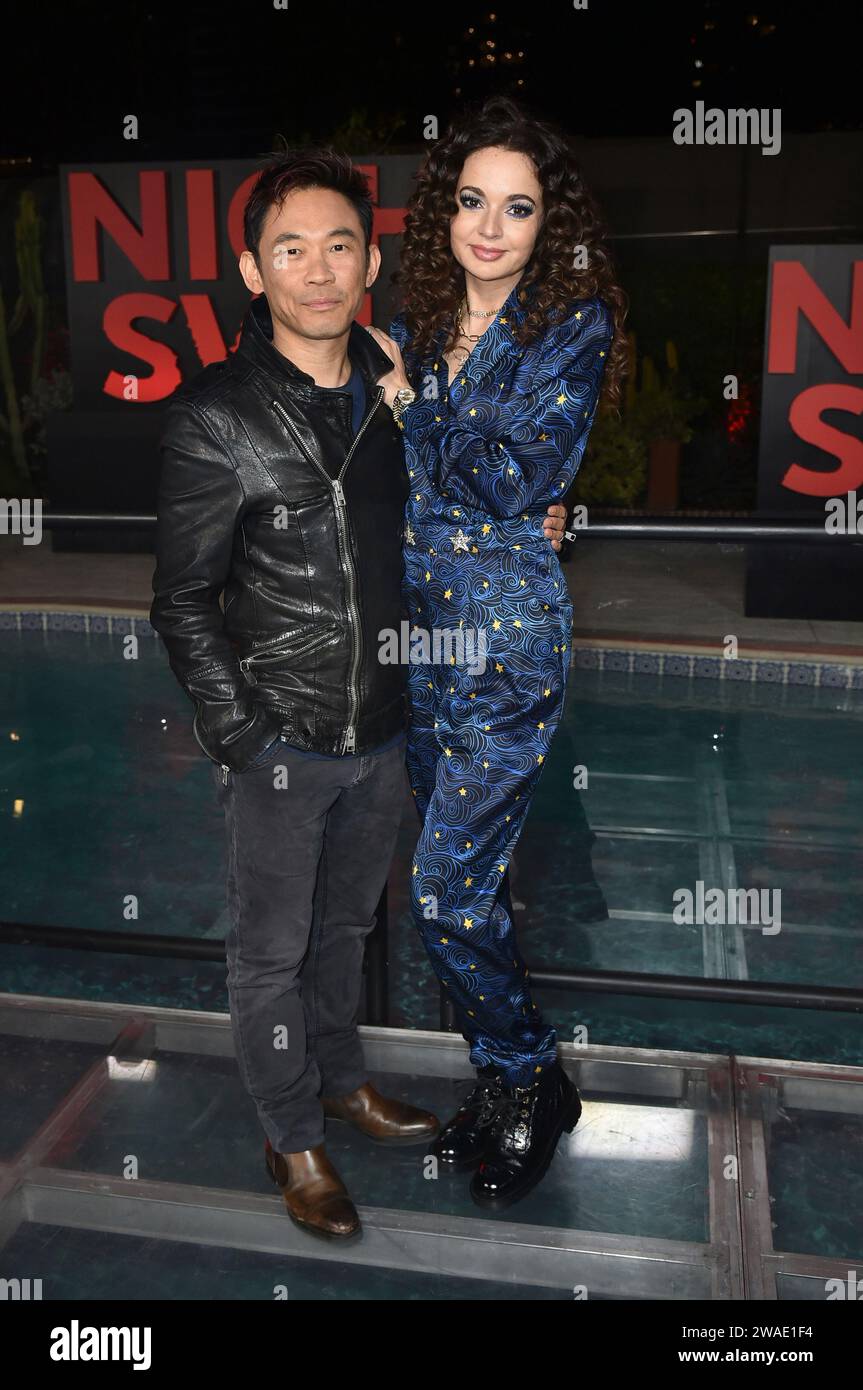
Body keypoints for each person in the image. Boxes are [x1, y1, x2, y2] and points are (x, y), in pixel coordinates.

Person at [150, 146, 569, 1241]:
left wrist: (545, 522)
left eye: (339, 245)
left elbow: (481, 500)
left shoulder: (398, 390)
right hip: (281, 739)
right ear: (254, 271)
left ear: (372, 258)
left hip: (386, 728)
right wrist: (242, 731)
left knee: (346, 934)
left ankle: (340, 1080)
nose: (318, 270)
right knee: (271, 954)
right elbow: (182, 600)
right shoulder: (215, 416)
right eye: (291, 249)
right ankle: (293, 1137)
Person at [366, 95, 627, 1210]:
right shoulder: (422, 326)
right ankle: (512, 1077)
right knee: (457, 884)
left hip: (504, 645)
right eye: (471, 200)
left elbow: (513, 481)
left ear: (543, 225)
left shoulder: (568, 326)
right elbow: (414, 480)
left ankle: (527, 1075)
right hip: (420, 642)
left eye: (515, 208)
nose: (489, 226)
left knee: (441, 890)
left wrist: (408, 403)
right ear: (443, 213)